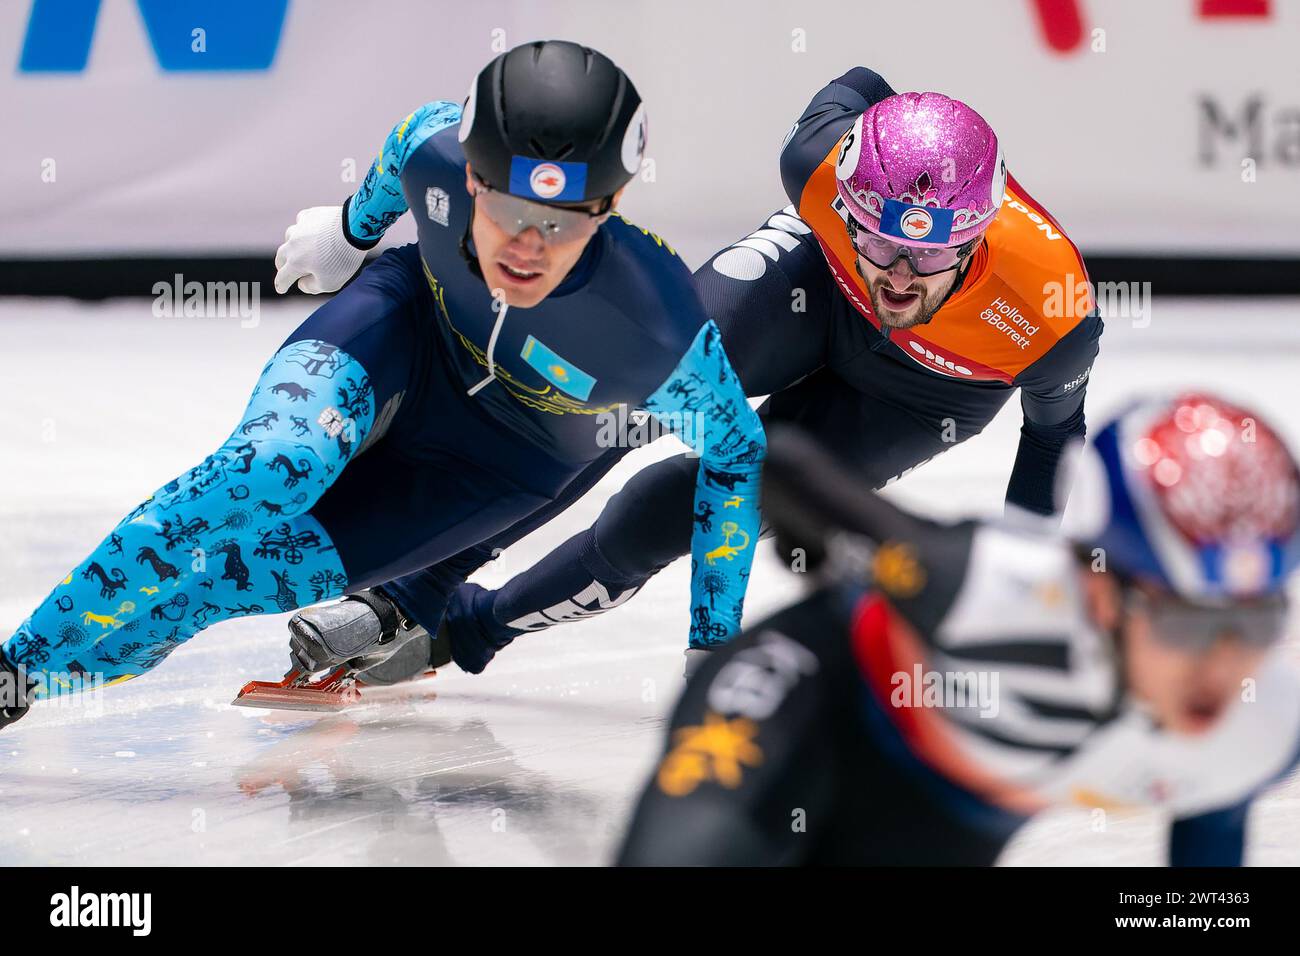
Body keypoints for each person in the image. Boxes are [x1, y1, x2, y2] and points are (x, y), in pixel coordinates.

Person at [0, 40, 764, 726]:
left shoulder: (660, 328)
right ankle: (11, 673)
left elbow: (737, 456)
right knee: (267, 470)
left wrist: (712, 642)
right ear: (470, 173)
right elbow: (405, 143)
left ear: (612, 207)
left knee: (221, 584)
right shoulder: (435, 149)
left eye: (564, 221)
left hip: (501, 463)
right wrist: (350, 230)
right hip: (408, 332)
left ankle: (30, 688)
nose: (528, 248)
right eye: (504, 209)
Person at [313, 66, 1103, 681]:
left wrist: (1016, 594)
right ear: (846, 196)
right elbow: (865, 83)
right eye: (877, 234)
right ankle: (408, 596)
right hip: (809, 286)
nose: (897, 275)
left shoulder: (1051, 311)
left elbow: (1051, 442)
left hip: (927, 390)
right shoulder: (819, 165)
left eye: (931, 252)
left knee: (661, 516)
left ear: (981, 234)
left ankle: (471, 628)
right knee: (616, 400)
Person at [617, 396, 1300, 865]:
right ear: (1098, 588)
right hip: (802, 702)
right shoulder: (993, 589)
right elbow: (787, 467)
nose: (1226, 659)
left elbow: (1209, 845)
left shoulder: (1267, 717)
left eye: (1257, 619)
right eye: (1186, 623)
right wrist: (819, 556)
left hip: (944, 814)